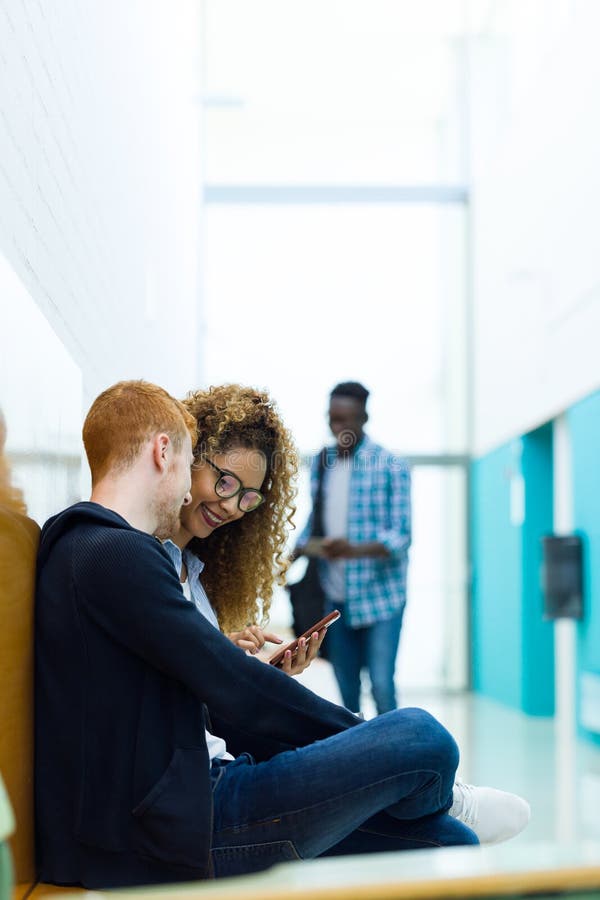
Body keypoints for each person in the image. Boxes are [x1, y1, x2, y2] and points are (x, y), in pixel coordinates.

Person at [35, 380, 530, 891]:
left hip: (184, 807)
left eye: (247, 497)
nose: (190, 491)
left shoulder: (94, 549)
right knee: (421, 739)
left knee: (450, 841)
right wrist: (362, 736)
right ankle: (442, 790)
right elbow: (233, 689)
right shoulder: (113, 550)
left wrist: (228, 665)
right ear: (166, 453)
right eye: (194, 470)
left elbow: (180, 691)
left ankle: (431, 792)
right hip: (183, 823)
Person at [162, 383, 323, 674]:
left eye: (248, 497)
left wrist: (244, 660)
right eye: (225, 482)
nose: (233, 508)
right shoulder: (143, 559)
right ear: (190, 456)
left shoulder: (195, 573)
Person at [296, 381, 410, 715]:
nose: (338, 427)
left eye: (346, 419)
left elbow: (401, 537)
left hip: (381, 597)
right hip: (336, 597)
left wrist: (352, 550)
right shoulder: (322, 462)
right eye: (333, 419)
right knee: (346, 689)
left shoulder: (391, 466)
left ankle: (395, 757)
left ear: (364, 418)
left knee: (381, 685)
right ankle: (360, 759)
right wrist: (298, 548)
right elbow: (315, 517)